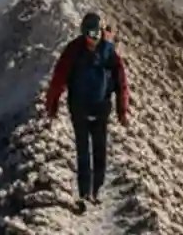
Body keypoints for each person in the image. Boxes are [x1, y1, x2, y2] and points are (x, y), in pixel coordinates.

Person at [45, 12, 130, 209]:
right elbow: (58, 79)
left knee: (100, 151)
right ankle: (84, 192)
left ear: (101, 32)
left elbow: (121, 83)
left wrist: (122, 111)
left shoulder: (109, 53)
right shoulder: (73, 50)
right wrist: (52, 105)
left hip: (100, 110)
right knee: (83, 151)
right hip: (79, 109)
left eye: (96, 33)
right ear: (83, 33)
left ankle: (96, 190)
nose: (92, 38)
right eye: (88, 33)